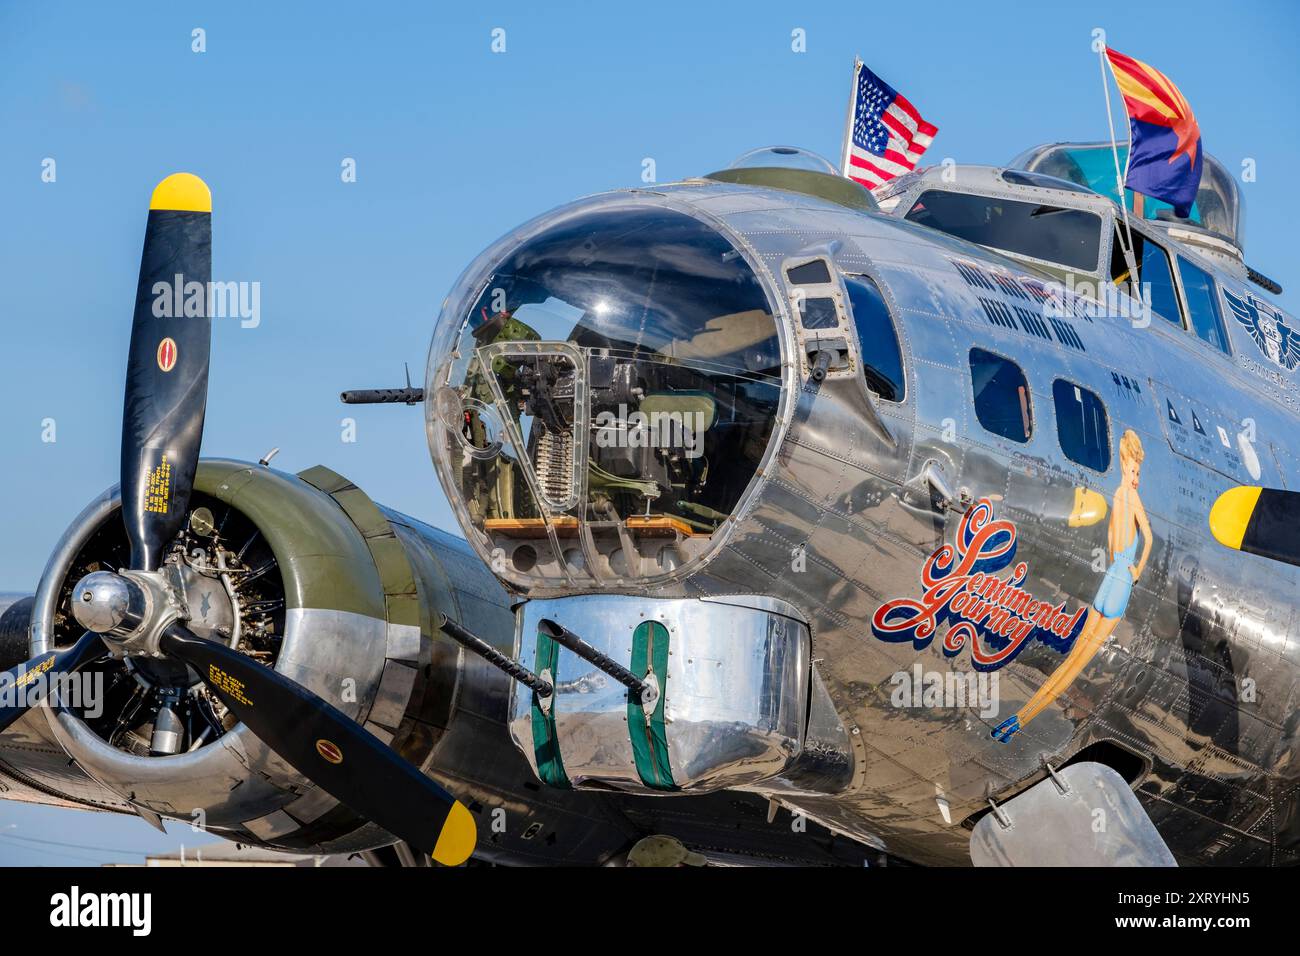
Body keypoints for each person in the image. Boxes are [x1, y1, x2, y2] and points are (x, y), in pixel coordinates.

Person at [992, 429, 1150, 743]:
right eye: (1133, 471)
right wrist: (1137, 571)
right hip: (1118, 586)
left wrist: (1121, 563)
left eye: (1137, 472)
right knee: (1075, 667)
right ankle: (1021, 720)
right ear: (1126, 466)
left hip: (1110, 580)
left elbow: (1112, 540)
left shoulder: (1118, 496)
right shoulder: (1131, 497)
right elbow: (1148, 537)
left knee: (1071, 661)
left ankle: (1019, 718)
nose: (1135, 478)